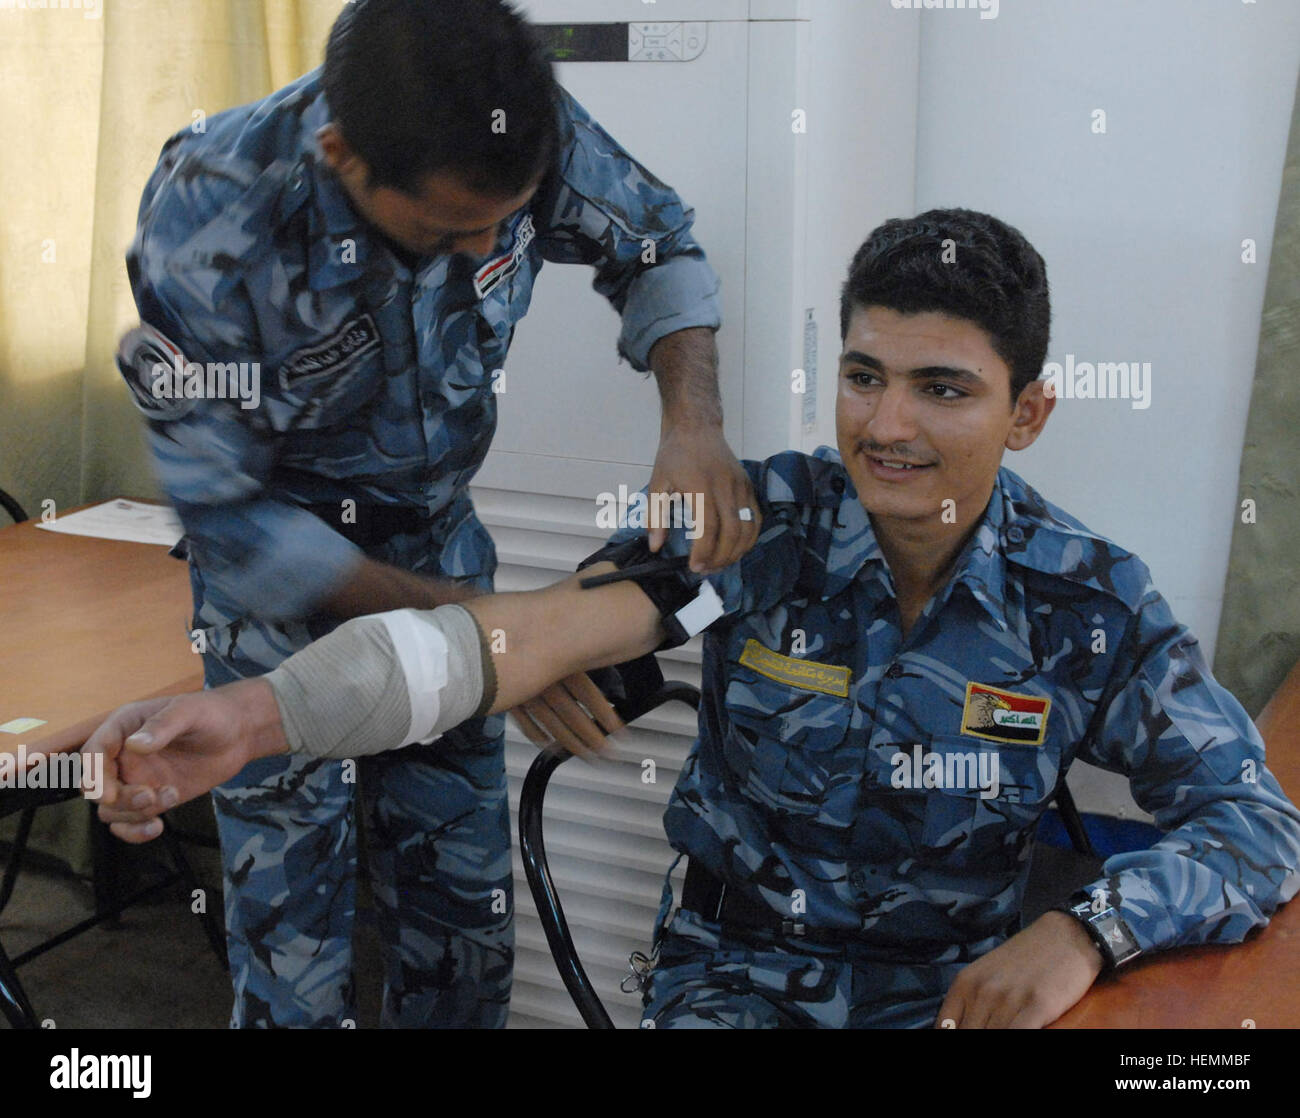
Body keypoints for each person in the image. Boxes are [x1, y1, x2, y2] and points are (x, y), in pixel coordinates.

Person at [86, 208, 1300, 1028]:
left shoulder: (1084, 601)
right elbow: (526, 635)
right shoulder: (756, 521)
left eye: (944, 390)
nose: (887, 426)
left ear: (1026, 412)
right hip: (727, 978)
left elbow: (1255, 822)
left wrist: (1084, 932)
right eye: (864, 374)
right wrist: (253, 715)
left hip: (935, 999)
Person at [116, 0, 758, 1028]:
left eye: (509, 221)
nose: (491, 248)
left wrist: (692, 422)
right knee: (296, 941)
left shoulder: (514, 121)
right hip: (276, 580)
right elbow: (231, 512)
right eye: (453, 229)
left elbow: (655, 242)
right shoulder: (213, 213)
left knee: (461, 918)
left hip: (434, 533)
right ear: (343, 157)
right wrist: (490, 639)